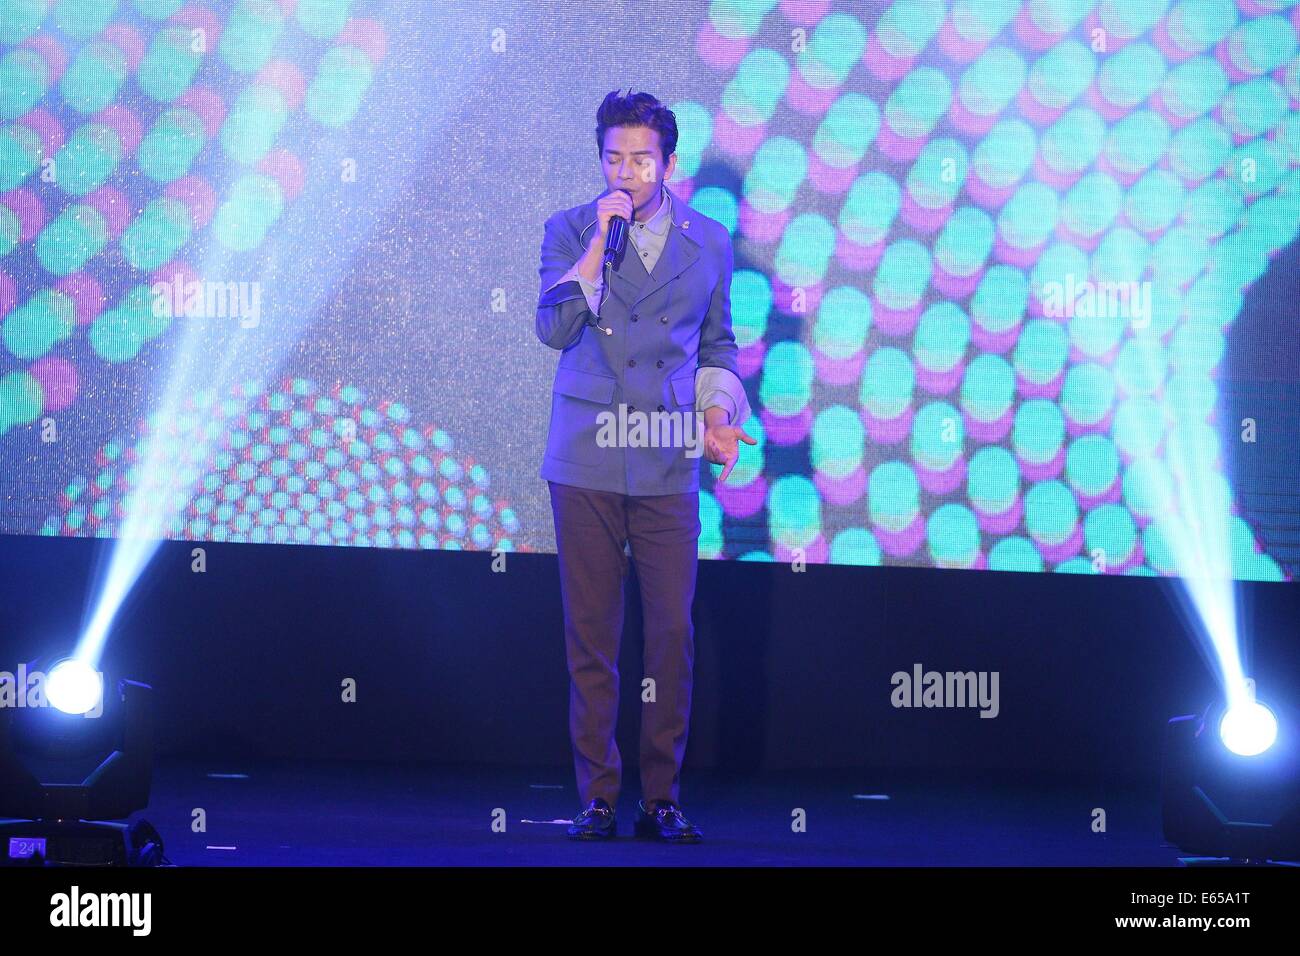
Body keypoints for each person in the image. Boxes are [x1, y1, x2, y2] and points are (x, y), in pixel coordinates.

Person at [534, 90, 754, 843]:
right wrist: (601, 241)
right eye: (613, 158)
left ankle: (661, 799)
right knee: (590, 636)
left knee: (670, 637)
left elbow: (719, 348)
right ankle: (597, 796)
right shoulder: (570, 228)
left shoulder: (711, 241)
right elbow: (555, 326)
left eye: (640, 159)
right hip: (586, 455)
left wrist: (720, 419)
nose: (625, 172)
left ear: (668, 162)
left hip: (666, 454)